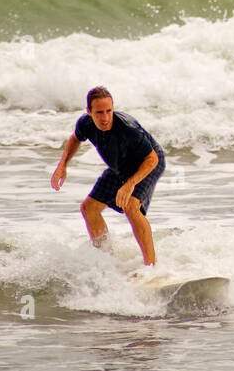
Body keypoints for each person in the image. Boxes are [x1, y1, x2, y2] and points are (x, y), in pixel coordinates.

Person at [50, 86, 166, 264]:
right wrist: (62, 165)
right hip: (119, 166)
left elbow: (152, 159)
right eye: (99, 112)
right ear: (89, 112)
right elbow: (75, 138)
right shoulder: (85, 124)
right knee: (89, 209)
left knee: (131, 205)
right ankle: (108, 261)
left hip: (146, 163)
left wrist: (129, 184)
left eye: (108, 111)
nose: (105, 118)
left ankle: (151, 266)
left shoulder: (128, 128)